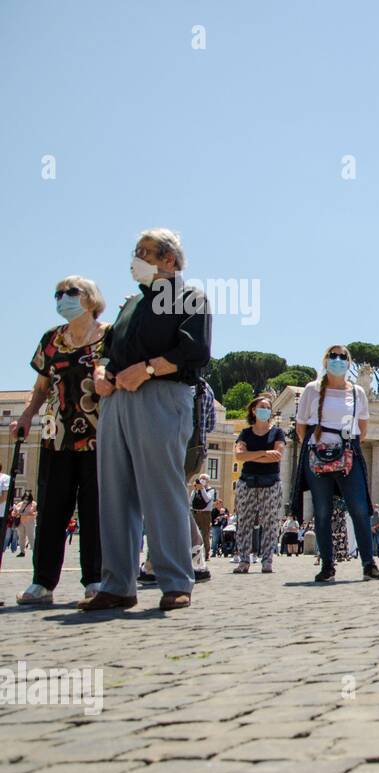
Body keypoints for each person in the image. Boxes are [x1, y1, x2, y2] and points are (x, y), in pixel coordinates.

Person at [80, 229, 211, 612]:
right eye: (136, 252)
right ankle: (117, 582)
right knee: (114, 491)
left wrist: (150, 370)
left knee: (161, 487)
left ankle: (175, 579)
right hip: (116, 400)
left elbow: (195, 351)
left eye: (145, 252)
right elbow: (109, 349)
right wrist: (102, 371)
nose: (136, 258)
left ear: (169, 260)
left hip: (160, 396)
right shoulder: (131, 304)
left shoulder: (190, 298)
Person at [292, 344, 379, 582]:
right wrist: (319, 447)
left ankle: (368, 564)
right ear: (325, 360)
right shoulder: (311, 390)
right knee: (322, 512)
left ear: (348, 363)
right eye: (333, 356)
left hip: (347, 457)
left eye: (342, 356)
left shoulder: (357, 393)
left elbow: (362, 430)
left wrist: (343, 449)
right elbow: (301, 426)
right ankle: (327, 566)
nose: (337, 359)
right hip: (317, 457)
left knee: (360, 509)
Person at [232, 394, 286, 573]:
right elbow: (239, 455)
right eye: (262, 407)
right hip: (247, 482)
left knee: (270, 522)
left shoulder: (277, 432)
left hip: (271, 483)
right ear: (254, 410)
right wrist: (264, 453)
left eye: (268, 407)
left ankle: (267, 561)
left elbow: (277, 456)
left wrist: (252, 455)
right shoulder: (245, 433)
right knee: (244, 522)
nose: (265, 410)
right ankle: (243, 561)